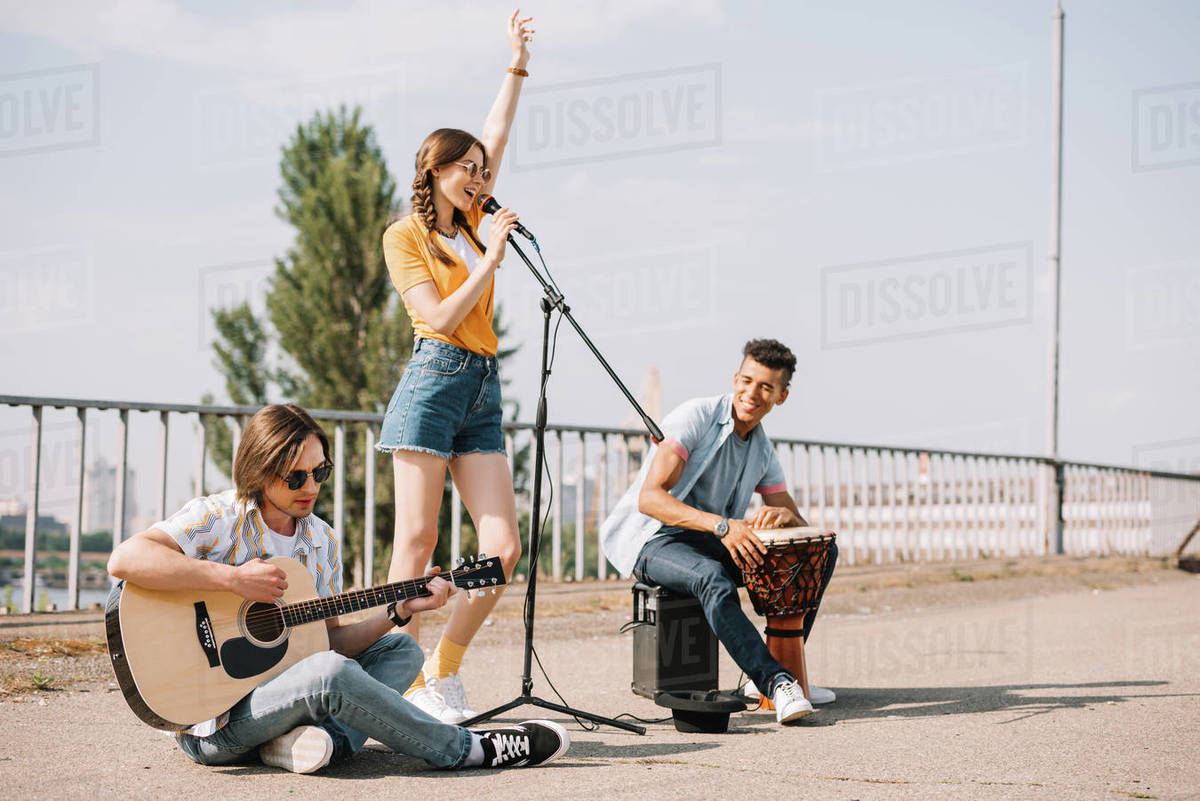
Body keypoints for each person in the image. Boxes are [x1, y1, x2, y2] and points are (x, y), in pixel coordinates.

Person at [107, 403, 568, 773]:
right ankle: (464, 749)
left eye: (319, 473)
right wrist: (232, 579)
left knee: (401, 653)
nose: (311, 487)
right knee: (328, 674)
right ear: (259, 471)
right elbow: (124, 560)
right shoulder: (218, 518)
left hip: (284, 700)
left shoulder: (320, 540)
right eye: (295, 477)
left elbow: (330, 642)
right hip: (214, 724)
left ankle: (313, 744)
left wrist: (397, 613)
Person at [377, 10, 533, 724]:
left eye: (482, 169)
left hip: (481, 385)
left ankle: (439, 669)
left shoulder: (472, 221)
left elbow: (494, 132)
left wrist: (516, 65)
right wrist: (495, 258)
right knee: (418, 541)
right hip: (435, 375)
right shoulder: (405, 235)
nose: (479, 175)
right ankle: (388, 676)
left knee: (502, 547)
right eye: (466, 168)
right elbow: (436, 317)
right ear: (435, 173)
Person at [600, 339, 838, 725]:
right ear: (735, 378)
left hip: (710, 538)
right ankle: (777, 681)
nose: (752, 393)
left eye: (766, 387)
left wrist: (782, 514)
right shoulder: (695, 416)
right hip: (651, 539)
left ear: (782, 396)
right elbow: (649, 499)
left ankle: (770, 667)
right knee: (712, 579)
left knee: (816, 553)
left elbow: (799, 522)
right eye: (747, 381)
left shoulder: (761, 448)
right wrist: (722, 526)